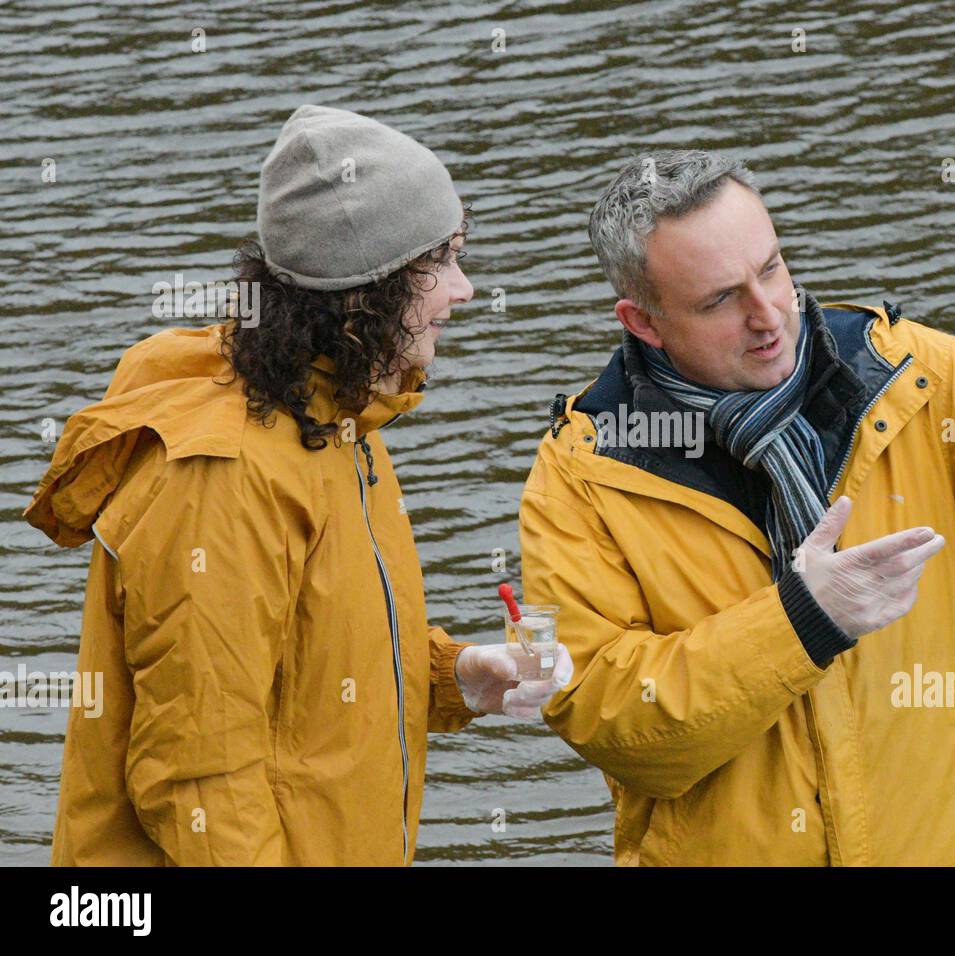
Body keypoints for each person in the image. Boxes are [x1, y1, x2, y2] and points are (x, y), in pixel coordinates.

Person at [518, 149, 955, 866]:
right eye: (720, 300)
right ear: (643, 322)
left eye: (772, 268)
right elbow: (610, 720)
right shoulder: (583, 479)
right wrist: (801, 621)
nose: (768, 314)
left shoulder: (910, 375)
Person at [25, 105, 572, 866]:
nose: (465, 289)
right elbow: (199, 781)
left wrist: (453, 677)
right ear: (366, 292)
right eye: (440, 261)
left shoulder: (338, 419)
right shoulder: (224, 478)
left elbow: (314, 666)